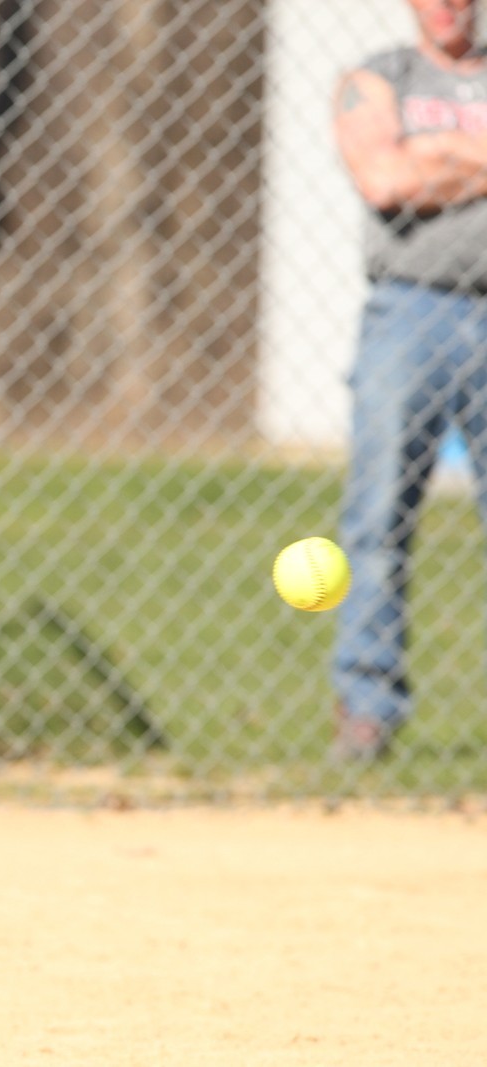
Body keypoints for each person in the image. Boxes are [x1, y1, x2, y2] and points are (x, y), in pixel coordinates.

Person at [330, 0, 487, 760]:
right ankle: (367, 708)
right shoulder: (377, 78)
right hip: (409, 311)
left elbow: (412, 169)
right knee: (379, 518)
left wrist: (437, 156)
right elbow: (385, 179)